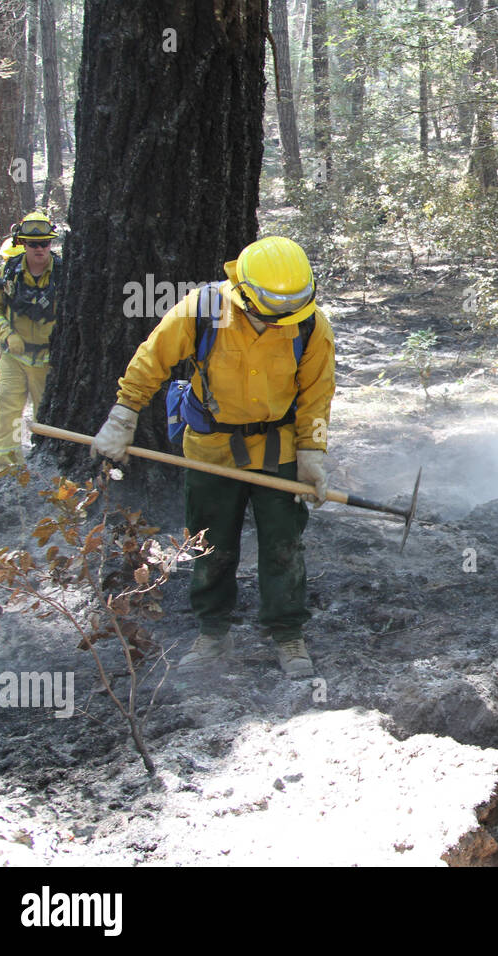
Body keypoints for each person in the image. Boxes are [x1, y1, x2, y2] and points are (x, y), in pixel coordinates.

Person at [91, 237, 335, 679]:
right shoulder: (202, 310)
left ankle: (286, 633)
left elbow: (317, 396)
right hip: (211, 450)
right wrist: (122, 416)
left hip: (277, 449)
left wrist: (312, 451)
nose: (279, 321)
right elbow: (151, 360)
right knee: (210, 544)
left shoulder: (312, 327)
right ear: (243, 292)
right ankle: (212, 632)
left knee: (284, 544)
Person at [0, 212, 62, 471]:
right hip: (13, 357)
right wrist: (7, 334)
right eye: (33, 244)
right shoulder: (8, 272)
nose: (40, 249)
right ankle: (7, 470)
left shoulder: (64, 274)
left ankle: (45, 474)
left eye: (45, 243)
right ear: (23, 244)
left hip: (47, 361)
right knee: (7, 412)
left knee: (46, 419)